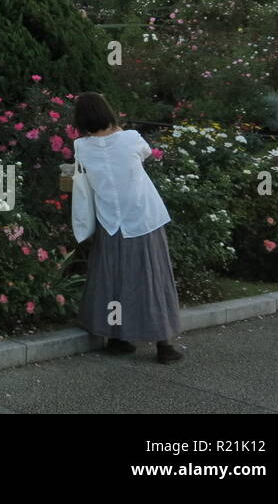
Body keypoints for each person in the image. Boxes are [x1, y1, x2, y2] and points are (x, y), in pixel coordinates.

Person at [71, 92, 184, 364]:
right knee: (151, 279)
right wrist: (117, 129)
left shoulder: (81, 147)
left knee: (114, 280)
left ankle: (119, 339)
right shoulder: (131, 138)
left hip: (110, 220)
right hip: (142, 217)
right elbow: (144, 155)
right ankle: (164, 345)